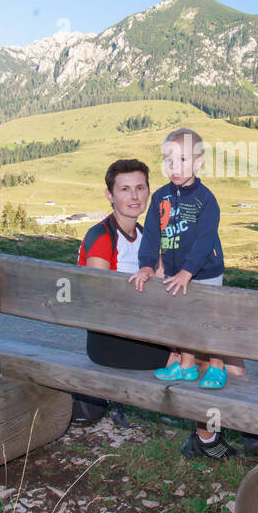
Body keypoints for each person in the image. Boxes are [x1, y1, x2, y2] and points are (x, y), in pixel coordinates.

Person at [129, 128, 250, 458]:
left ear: (198, 161)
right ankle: (184, 363)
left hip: (204, 271)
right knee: (181, 320)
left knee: (207, 321)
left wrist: (187, 271)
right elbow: (151, 235)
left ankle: (216, 365)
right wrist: (147, 266)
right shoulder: (161, 198)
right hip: (174, 274)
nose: (174, 166)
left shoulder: (205, 199)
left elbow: (205, 239)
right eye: (168, 160)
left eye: (182, 159)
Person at [73, 158, 172, 423]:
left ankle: (235, 432)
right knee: (197, 358)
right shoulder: (102, 237)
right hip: (111, 342)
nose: (134, 196)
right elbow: (98, 299)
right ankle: (215, 434)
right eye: (125, 189)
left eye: (140, 188)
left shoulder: (145, 237)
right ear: (110, 195)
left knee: (213, 355)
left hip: (140, 332)